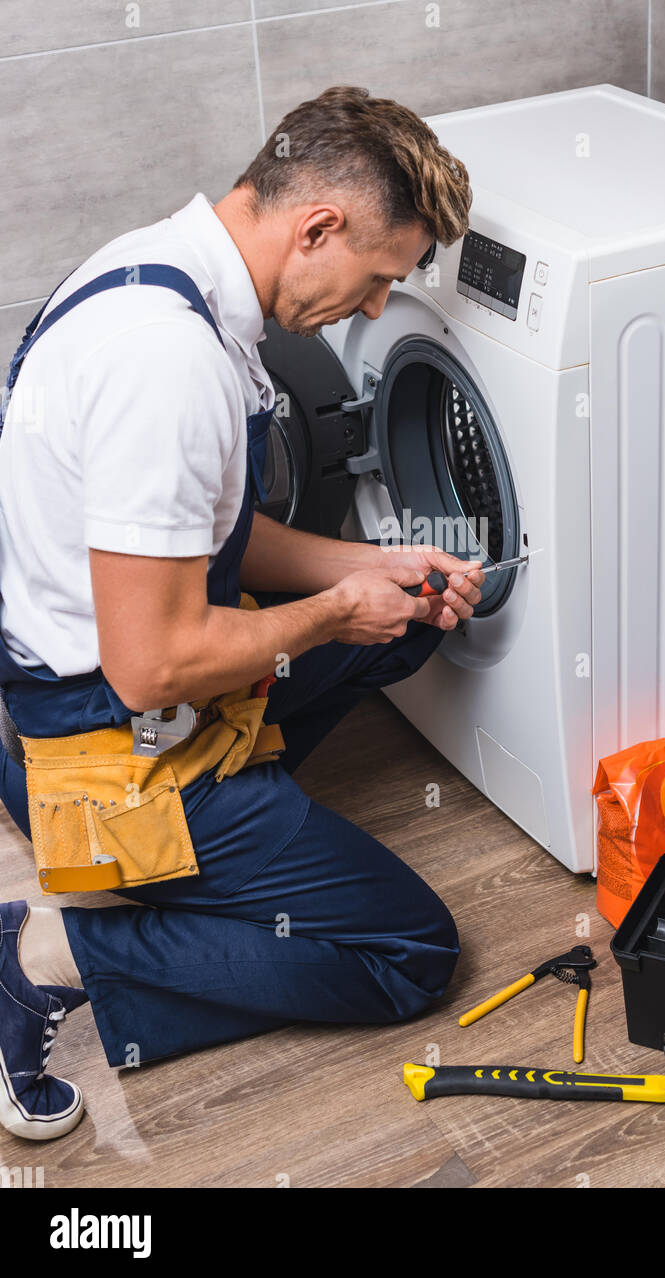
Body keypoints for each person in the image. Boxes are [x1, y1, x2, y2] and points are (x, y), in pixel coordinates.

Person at [0, 85, 480, 1140]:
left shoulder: (168, 276)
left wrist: (373, 566)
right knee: (414, 954)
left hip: (105, 692)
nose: (369, 312)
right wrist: (324, 615)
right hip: (110, 749)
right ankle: (51, 952)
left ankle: (177, 869)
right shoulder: (165, 363)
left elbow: (206, 537)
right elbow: (149, 665)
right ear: (317, 228)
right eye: (376, 279)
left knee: (404, 620)